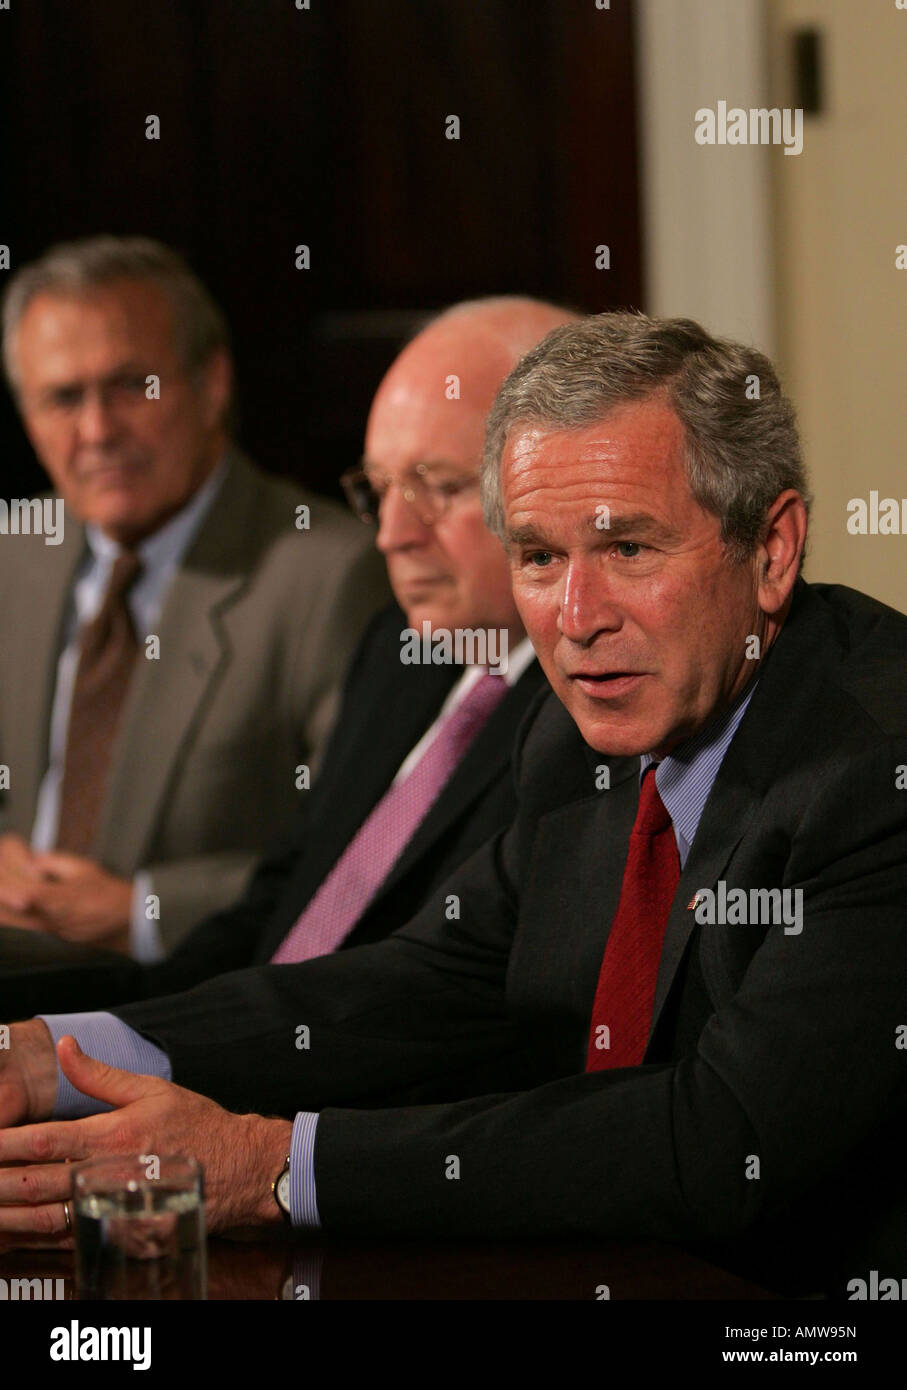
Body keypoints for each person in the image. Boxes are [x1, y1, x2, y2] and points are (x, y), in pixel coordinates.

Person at [1, 314, 904, 1297]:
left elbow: (722, 1138)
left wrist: (266, 1163)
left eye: (629, 548)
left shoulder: (875, 768)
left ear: (771, 550)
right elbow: (421, 980)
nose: (575, 619)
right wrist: (57, 1055)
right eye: (538, 557)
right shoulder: (574, 733)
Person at [0, 295, 573, 1017]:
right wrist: (99, 1034)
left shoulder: (590, 710)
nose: (393, 534)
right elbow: (284, 902)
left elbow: (445, 1009)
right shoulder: (403, 652)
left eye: (439, 487)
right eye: (379, 488)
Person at [0, 236, 387, 957]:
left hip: (192, 999)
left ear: (211, 385)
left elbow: (364, 852)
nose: (96, 431)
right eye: (62, 398)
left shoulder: (327, 573)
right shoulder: (12, 552)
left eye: (128, 387)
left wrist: (146, 911)